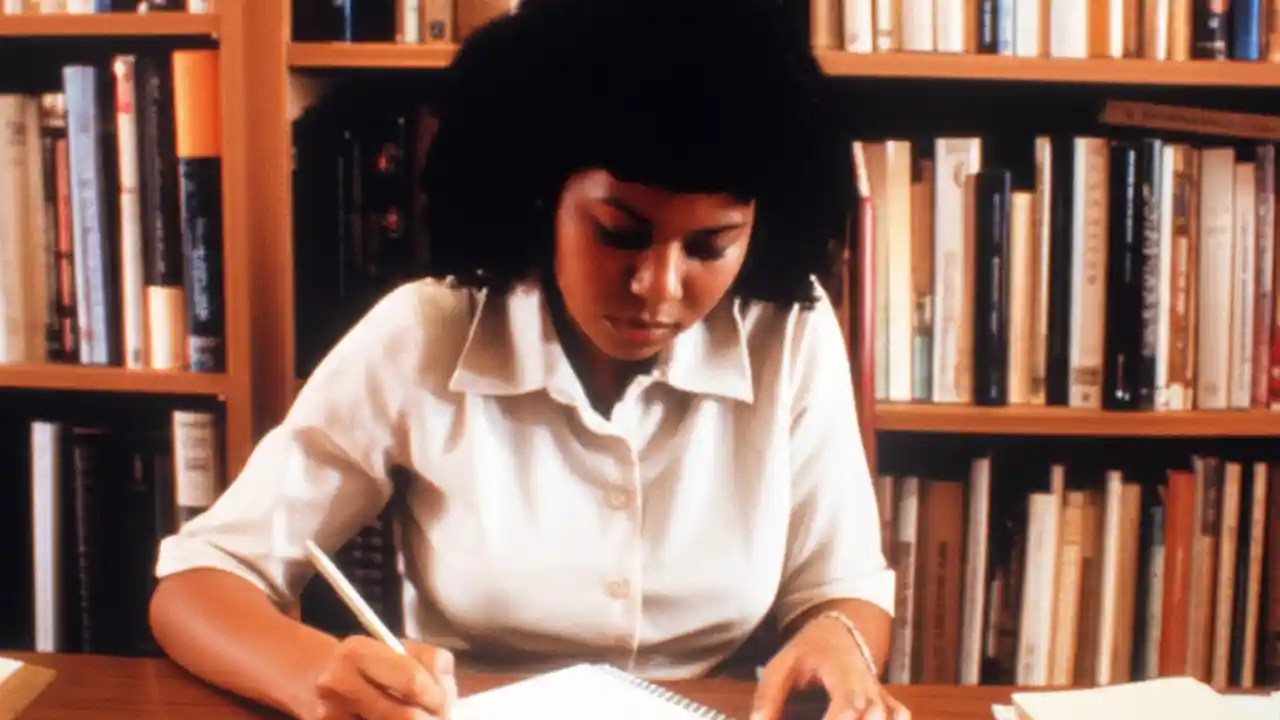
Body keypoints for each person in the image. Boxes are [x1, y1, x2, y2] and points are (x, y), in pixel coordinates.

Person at [148, 0, 906, 718]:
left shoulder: (788, 336)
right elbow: (197, 583)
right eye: (618, 232)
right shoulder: (425, 334)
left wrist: (834, 641)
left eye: (711, 246)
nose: (658, 288)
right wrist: (313, 674)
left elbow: (841, 588)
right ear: (541, 195)